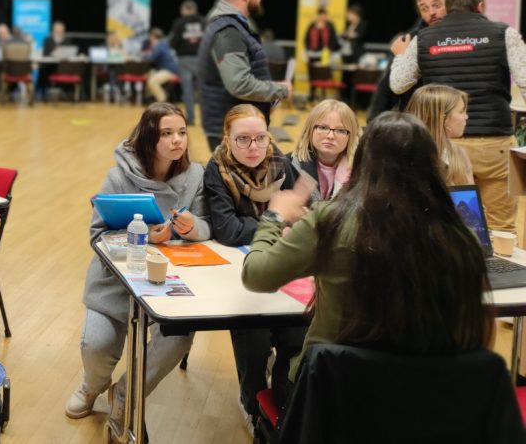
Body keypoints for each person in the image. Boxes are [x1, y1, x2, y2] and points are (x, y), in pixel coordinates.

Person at [241, 112, 492, 408]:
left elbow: (256, 275)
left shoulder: (331, 221)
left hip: (330, 397)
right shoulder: (462, 238)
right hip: (425, 403)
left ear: (362, 159)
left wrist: (273, 217)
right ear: (431, 164)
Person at [65, 103, 209, 429]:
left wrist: (192, 228)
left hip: (171, 281)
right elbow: (97, 234)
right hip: (116, 281)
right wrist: (140, 239)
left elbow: (206, 226)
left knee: (178, 338)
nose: (177, 141)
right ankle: (92, 387)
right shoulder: (119, 177)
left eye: (182, 132)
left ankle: (125, 393)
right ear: (148, 138)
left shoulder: (195, 175)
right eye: (167, 133)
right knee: (96, 344)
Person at [391, 0, 526, 233]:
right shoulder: (504, 33)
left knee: (441, 224)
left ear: (447, 7)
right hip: (493, 145)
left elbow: (398, 84)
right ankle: (498, 271)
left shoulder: (423, 38)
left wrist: (400, 55)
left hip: (443, 145)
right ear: (481, 6)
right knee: (500, 227)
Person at [203, 103, 304, 427]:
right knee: (253, 336)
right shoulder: (216, 169)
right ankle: (252, 404)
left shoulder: (282, 163)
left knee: (297, 334)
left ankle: (285, 401)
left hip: (282, 267)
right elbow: (227, 231)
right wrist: (275, 221)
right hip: (237, 272)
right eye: (243, 139)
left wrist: (253, 221)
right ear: (227, 139)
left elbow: (302, 218)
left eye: (260, 138)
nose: (254, 147)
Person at [198, 0, 292, 151]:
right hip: (230, 130)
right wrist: (280, 89)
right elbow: (238, 83)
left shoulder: (232, 26)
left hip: (236, 127)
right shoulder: (228, 31)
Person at [369, 0, 448, 121]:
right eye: (424, 9)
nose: (431, 12)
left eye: (437, 5)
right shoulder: (409, 40)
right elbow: (386, 88)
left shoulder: (465, 35)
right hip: (417, 120)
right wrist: (373, 123)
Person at [289, 100, 360, 202]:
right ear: (310, 130)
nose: (330, 136)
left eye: (340, 130)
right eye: (323, 127)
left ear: (350, 136)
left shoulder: (359, 170)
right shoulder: (289, 165)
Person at [406, 84, 474, 186]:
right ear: (441, 118)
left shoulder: (458, 154)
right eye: (461, 112)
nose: (466, 117)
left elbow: (470, 198)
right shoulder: (406, 157)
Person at [169, 0, 205, 124]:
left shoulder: (179, 23)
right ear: (195, 9)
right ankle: (206, 119)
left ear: (184, 10)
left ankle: (191, 119)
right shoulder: (203, 21)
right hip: (201, 60)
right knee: (204, 90)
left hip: (184, 59)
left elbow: (172, 42)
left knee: (187, 90)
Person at [144, 28, 182, 104]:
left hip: (169, 71)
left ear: (153, 37)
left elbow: (152, 59)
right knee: (149, 74)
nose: (149, 39)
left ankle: (163, 102)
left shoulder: (158, 46)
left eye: (150, 37)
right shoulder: (165, 43)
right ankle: (151, 98)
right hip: (169, 70)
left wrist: (144, 56)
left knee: (152, 82)